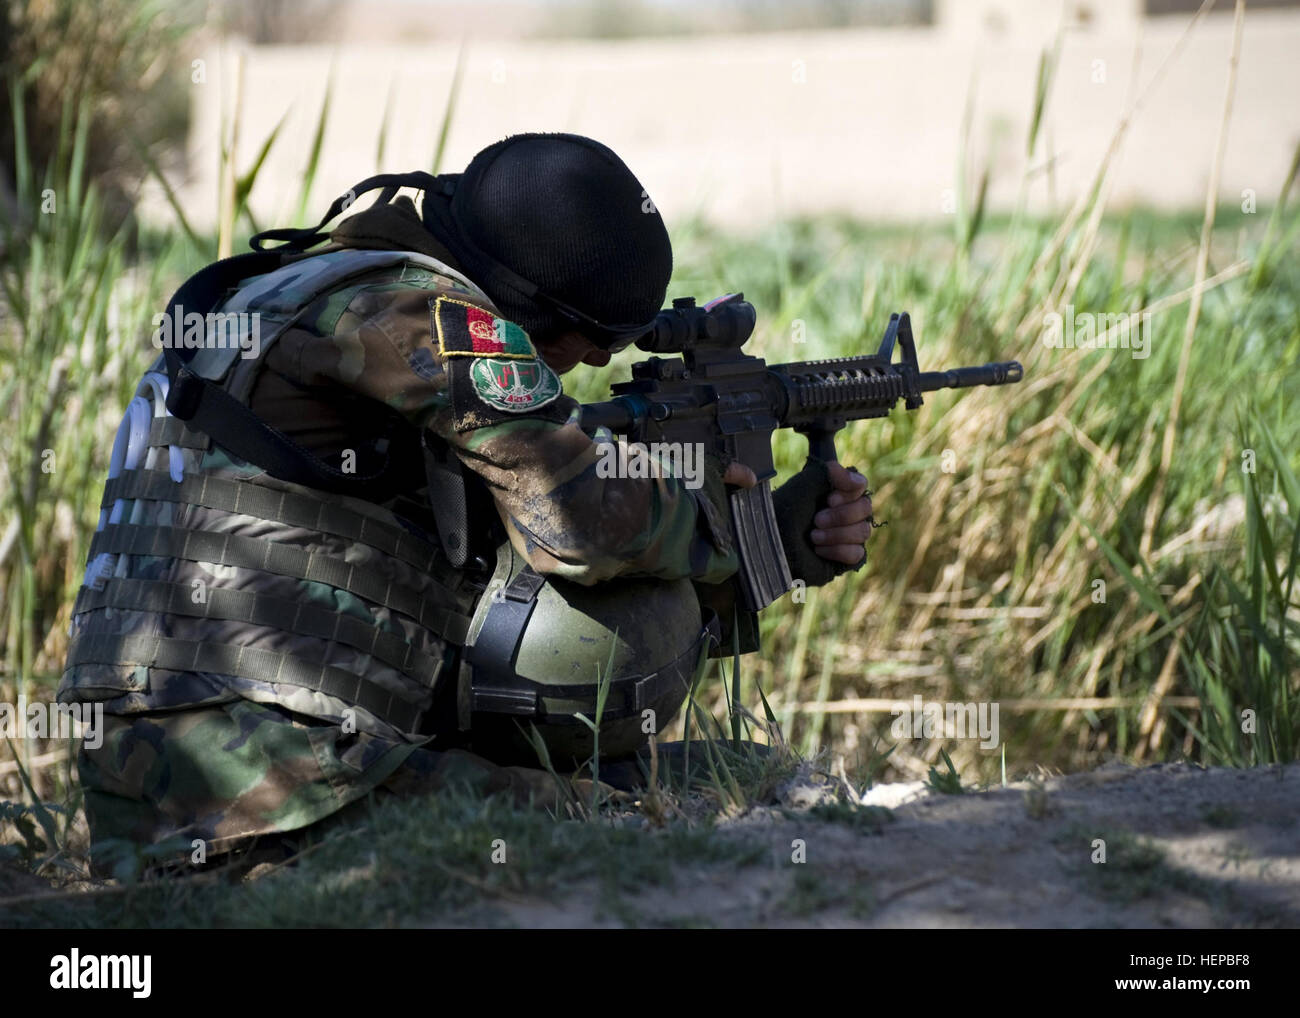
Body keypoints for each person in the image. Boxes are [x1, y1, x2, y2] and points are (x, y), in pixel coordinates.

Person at [57, 133, 875, 864]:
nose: (573, 373)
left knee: (705, 766)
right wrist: (720, 524)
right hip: (277, 782)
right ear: (530, 306)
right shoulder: (421, 313)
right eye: (582, 348)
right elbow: (573, 520)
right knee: (686, 800)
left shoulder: (290, 286)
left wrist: (779, 545)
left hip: (169, 770)